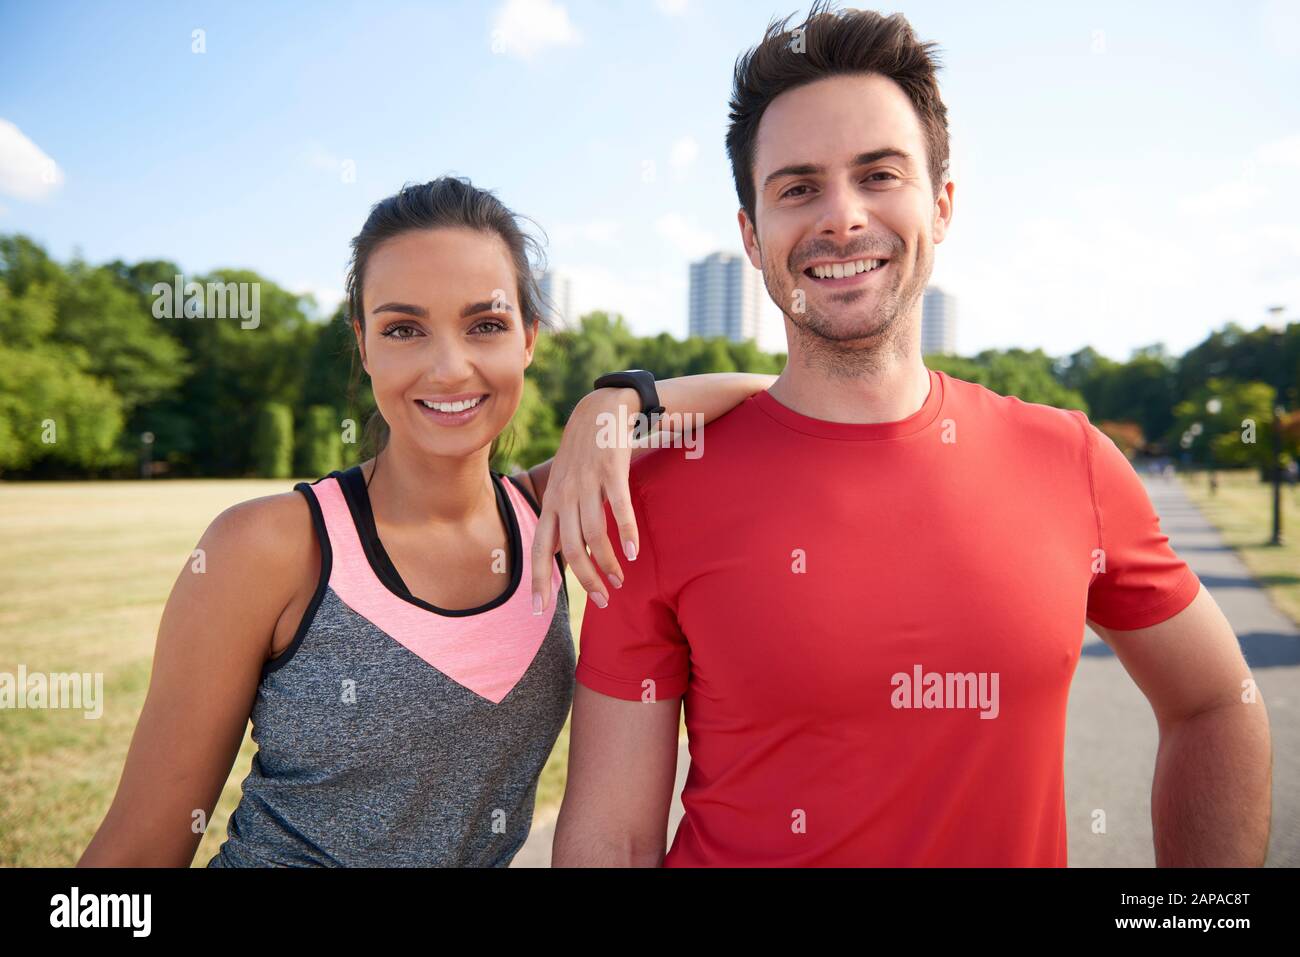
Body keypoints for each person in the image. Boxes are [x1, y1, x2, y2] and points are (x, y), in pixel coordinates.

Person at [552, 3, 1271, 867]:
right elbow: (612, 838)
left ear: (942, 205)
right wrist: (615, 404)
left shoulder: (1071, 461)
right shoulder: (652, 497)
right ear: (751, 234)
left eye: (879, 173)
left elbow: (1215, 703)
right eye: (798, 187)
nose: (843, 217)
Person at [77, 176, 774, 867]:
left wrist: (614, 403)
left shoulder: (548, 514)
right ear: (364, 342)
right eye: (405, 329)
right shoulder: (268, 545)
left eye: (486, 325)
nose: (448, 367)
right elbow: (137, 850)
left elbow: (765, 397)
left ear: (528, 338)